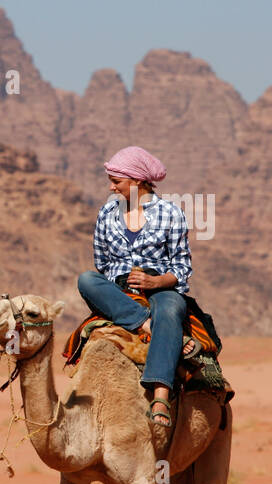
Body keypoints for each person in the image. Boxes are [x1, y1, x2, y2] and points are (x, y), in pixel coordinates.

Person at [77, 146, 196, 427]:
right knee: (86, 280)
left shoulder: (171, 214)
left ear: (137, 181)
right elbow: (101, 263)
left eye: (116, 181)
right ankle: (150, 327)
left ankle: (160, 396)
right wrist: (120, 284)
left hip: (160, 288)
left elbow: (182, 268)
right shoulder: (106, 212)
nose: (111, 187)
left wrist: (155, 281)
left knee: (171, 309)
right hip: (118, 288)